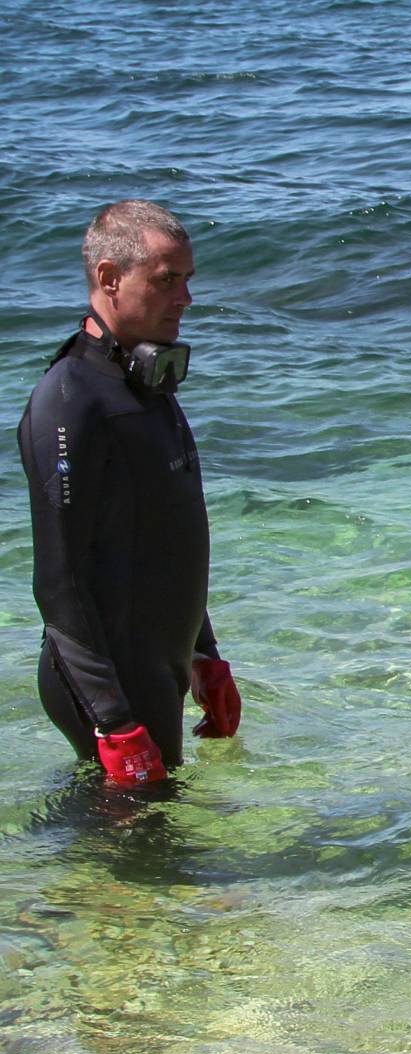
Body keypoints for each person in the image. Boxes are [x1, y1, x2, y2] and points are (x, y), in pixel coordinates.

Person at [17, 200, 243, 786]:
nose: (185, 299)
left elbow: (164, 538)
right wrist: (112, 719)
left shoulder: (147, 381)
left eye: (188, 280)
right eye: (167, 281)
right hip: (107, 677)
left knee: (140, 856)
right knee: (136, 849)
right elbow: (58, 580)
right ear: (110, 278)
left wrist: (203, 652)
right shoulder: (70, 400)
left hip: (157, 661)